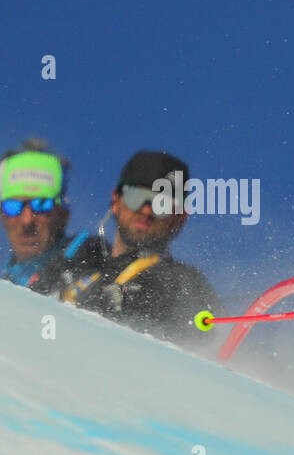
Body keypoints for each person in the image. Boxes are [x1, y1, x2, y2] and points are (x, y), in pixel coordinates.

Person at [57, 150, 220, 349]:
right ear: (116, 200)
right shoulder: (78, 262)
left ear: (181, 216)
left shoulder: (182, 282)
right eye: (137, 196)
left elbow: (204, 345)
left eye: (162, 204)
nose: (146, 210)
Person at [0, 140, 104, 294]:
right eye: (12, 206)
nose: (27, 220)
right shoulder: (7, 280)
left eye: (42, 205)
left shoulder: (94, 260)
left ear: (63, 213)